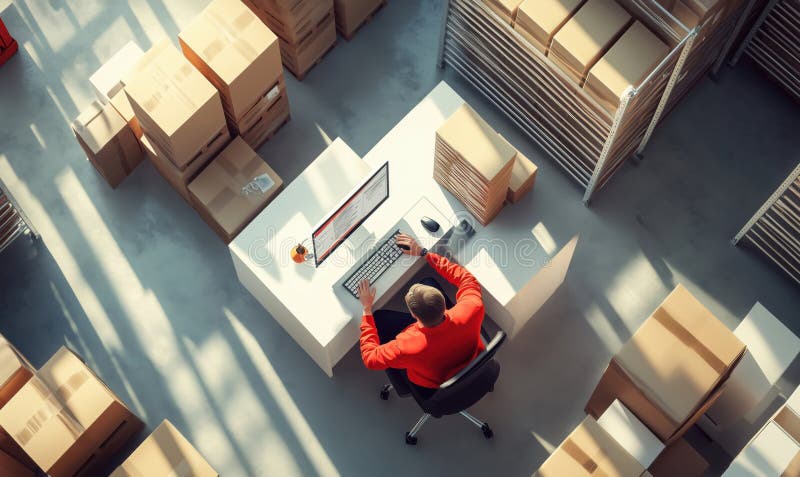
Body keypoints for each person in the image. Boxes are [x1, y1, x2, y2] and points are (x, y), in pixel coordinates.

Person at [357, 233, 485, 399]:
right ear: (443, 302)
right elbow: (467, 279)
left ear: (413, 314)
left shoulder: (406, 347)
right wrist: (424, 252)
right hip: (473, 362)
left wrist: (366, 309)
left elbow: (369, 358)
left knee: (379, 318)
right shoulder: (472, 309)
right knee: (427, 281)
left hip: (436, 386)